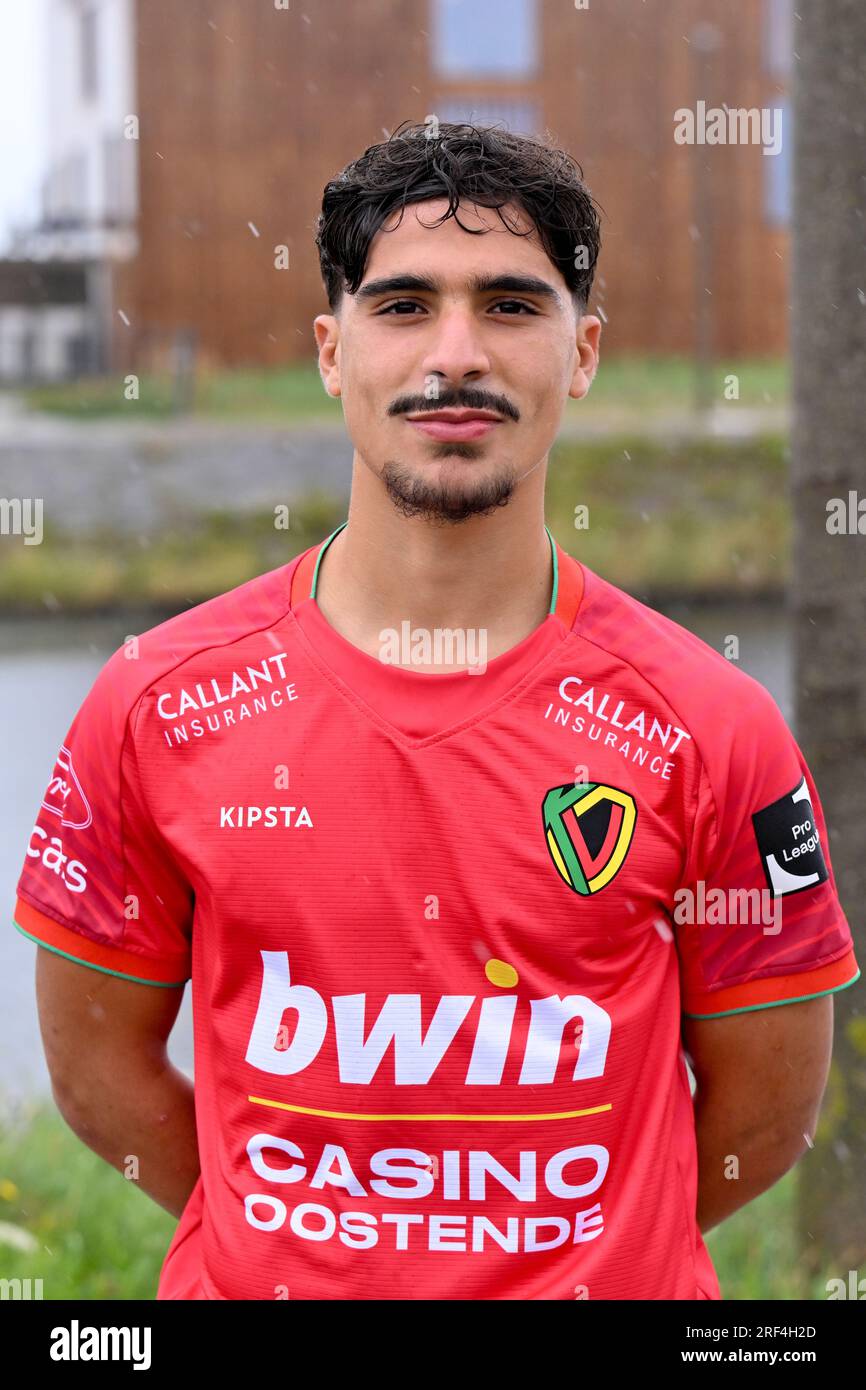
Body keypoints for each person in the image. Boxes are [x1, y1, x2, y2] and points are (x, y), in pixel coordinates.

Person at [13, 122, 859, 1301]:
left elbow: (764, 1116)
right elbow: (99, 1073)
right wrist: (285, 1244)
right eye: (403, 306)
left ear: (582, 352)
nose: (455, 354)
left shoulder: (710, 724)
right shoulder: (161, 700)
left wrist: (583, 1254)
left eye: (511, 307)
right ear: (330, 348)